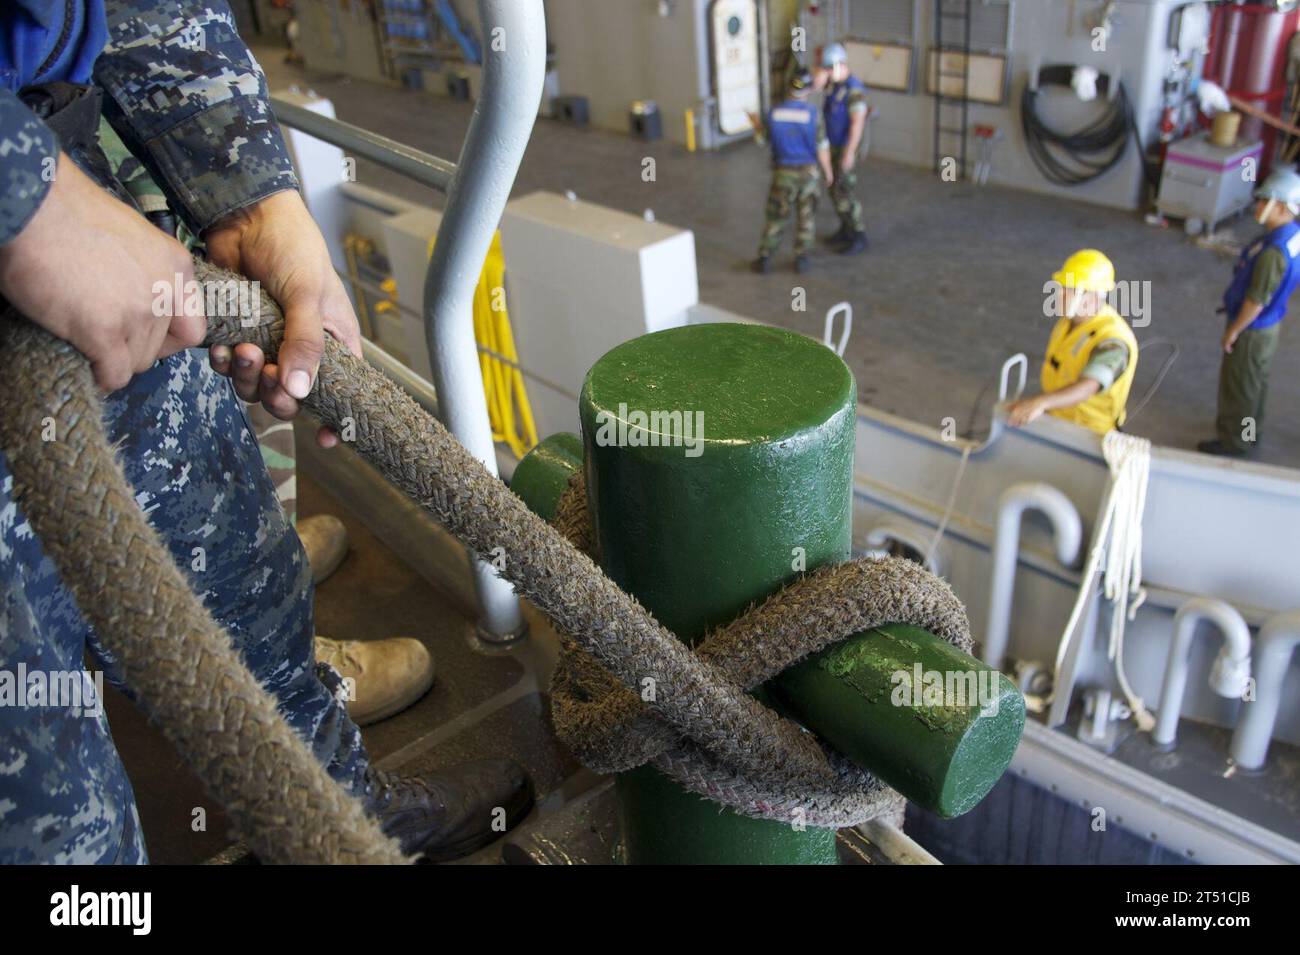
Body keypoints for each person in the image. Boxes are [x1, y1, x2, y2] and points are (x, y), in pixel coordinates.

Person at [0, 0, 531, 863]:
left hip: (72, 190)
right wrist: (27, 201)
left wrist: (248, 191)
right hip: (42, 198)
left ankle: (331, 814)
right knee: (42, 802)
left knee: (238, 564)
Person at [1197, 167, 1300, 457]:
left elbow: (1256, 300)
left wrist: (1234, 330)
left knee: (1240, 388)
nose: (1258, 206)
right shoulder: (1292, 237)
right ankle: (1249, 434)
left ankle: (1235, 443)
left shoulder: (1272, 253)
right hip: (1269, 326)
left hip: (1252, 329)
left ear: (1280, 207)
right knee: (1255, 385)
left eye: (1264, 201)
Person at [1007, 249, 1138, 435]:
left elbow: (1088, 386)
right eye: (1062, 287)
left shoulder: (1113, 340)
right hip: (1058, 418)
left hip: (1089, 433)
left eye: (1071, 290)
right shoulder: (1069, 322)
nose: (1061, 295)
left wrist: (1041, 402)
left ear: (1092, 297)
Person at [752, 69, 833, 275]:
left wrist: (756, 125)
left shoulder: (774, 113)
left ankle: (764, 257)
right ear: (807, 90)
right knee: (806, 218)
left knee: (777, 217)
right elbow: (822, 148)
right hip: (808, 175)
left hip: (783, 174)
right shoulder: (814, 116)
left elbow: (762, 141)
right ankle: (801, 258)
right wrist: (828, 172)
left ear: (789, 87)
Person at [817, 43, 869, 255]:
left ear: (841, 65)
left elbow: (857, 124)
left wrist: (848, 153)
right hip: (833, 146)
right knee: (833, 190)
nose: (827, 73)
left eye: (830, 68)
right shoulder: (834, 86)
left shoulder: (854, 89)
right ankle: (845, 229)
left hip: (845, 147)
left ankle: (858, 234)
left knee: (844, 192)